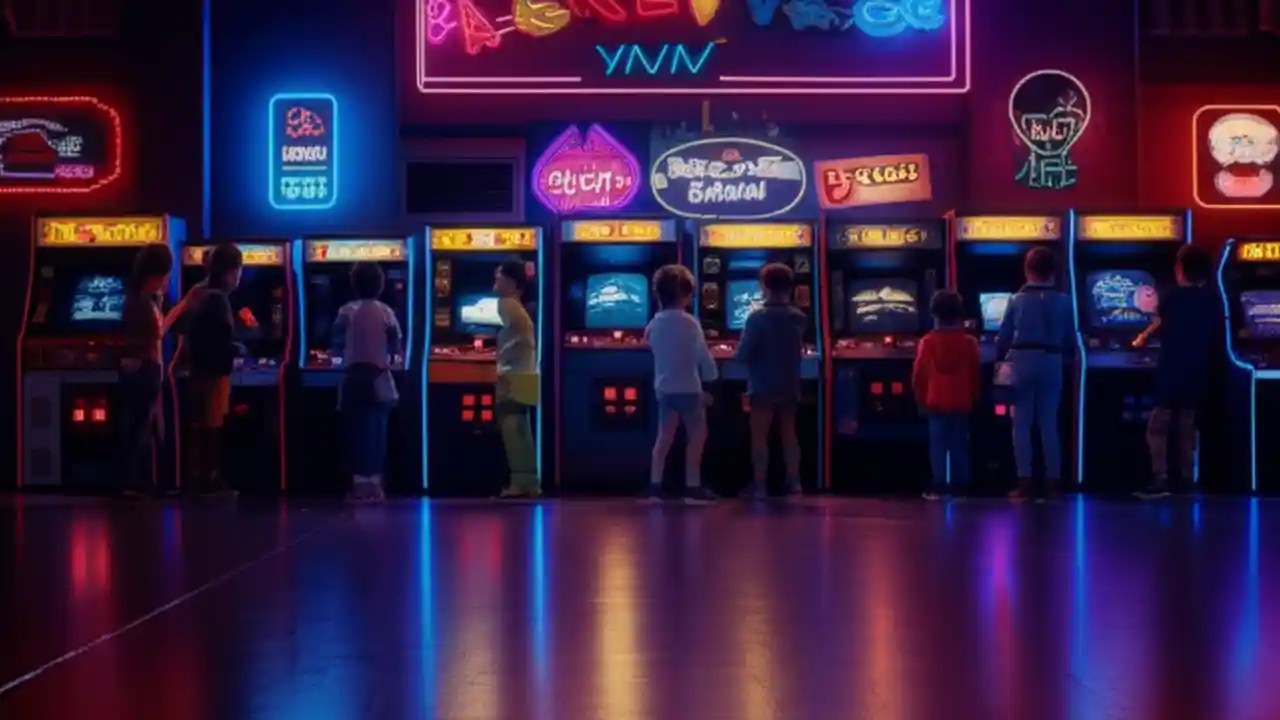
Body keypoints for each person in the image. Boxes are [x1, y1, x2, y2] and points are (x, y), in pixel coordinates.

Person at [1132, 245, 1220, 498]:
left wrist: (1139, 340)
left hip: (1172, 366)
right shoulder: (1212, 298)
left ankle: (1159, 480)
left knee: (1157, 426)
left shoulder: (1170, 297)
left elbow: (1159, 326)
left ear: (1180, 269)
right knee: (1186, 426)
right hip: (1198, 368)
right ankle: (1186, 479)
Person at [996, 246, 1075, 501]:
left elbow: (1004, 336)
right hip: (1052, 359)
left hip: (1021, 359)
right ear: (1053, 270)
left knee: (1021, 423)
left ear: (1027, 269)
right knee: (1049, 423)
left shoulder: (1017, 300)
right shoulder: (1064, 300)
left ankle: (1025, 482)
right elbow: (1071, 337)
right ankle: (1053, 482)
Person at [644, 264, 718, 502]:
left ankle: (655, 484)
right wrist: (712, 379)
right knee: (697, 436)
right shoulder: (691, 323)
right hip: (689, 389)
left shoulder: (655, 322)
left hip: (664, 389)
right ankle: (693, 485)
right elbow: (703, 356)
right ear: (687, 295)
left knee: (664, 437)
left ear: (658, 295)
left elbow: (647, 340)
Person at [735, 262, 808, 499]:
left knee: (760, 436)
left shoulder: (756, 318)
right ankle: (794, 482)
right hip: (789, 383)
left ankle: (759, 485)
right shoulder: (798, 317)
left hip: (762, 384)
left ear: (763, 286)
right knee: (790, 433)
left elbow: (743, 354)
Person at [332, 262, 403, 503]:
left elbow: (336, 344)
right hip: (379, 378)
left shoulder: (346, 310)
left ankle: (357, 484)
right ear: (381, 285)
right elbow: (396, 346)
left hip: (353, 377)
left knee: (354, 432)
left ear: (353, 284)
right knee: (377, 432)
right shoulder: (386, 312)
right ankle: (375, 485)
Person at [181, 243, 243, 496]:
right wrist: (238, 351)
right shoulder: (218, 300)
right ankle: (211, 481)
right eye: (238, 270)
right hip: (213, 372)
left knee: (201, 425)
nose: (239, 277)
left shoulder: (200, 293)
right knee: (212, 427)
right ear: (230, 271)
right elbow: (220, 340)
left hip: (197, 369)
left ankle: (200, 480)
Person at [116, 243, 174, 497]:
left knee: (144, 426)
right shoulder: (140, 302)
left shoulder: (141, 298)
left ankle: (143, 482)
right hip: (143, 370)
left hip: (145, 370)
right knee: (139, 426)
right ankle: (133, 483)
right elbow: (155, 335)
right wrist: (183, 305)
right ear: (158, 274)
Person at [913, 290, 980, 501]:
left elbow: (919, 374)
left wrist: (920, 399)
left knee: (938, 443)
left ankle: (939, 483)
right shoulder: (969, 342)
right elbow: (974, 373)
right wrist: (974, 396)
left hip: (935, 399)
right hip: (961, 398)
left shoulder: (928, 342)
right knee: (960, 442)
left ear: (934, 313)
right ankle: (962, 484)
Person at [494, 260, 541, 499]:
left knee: (512, 428)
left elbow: (517, 335)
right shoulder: (517, 305)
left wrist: (502, 357)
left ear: (511, 282)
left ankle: (520, 483)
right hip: (525, 372)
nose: (495, 284)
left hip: (513, 374)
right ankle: (528, 481)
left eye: (498, 278)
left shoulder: (507, 304)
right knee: (521, 429)